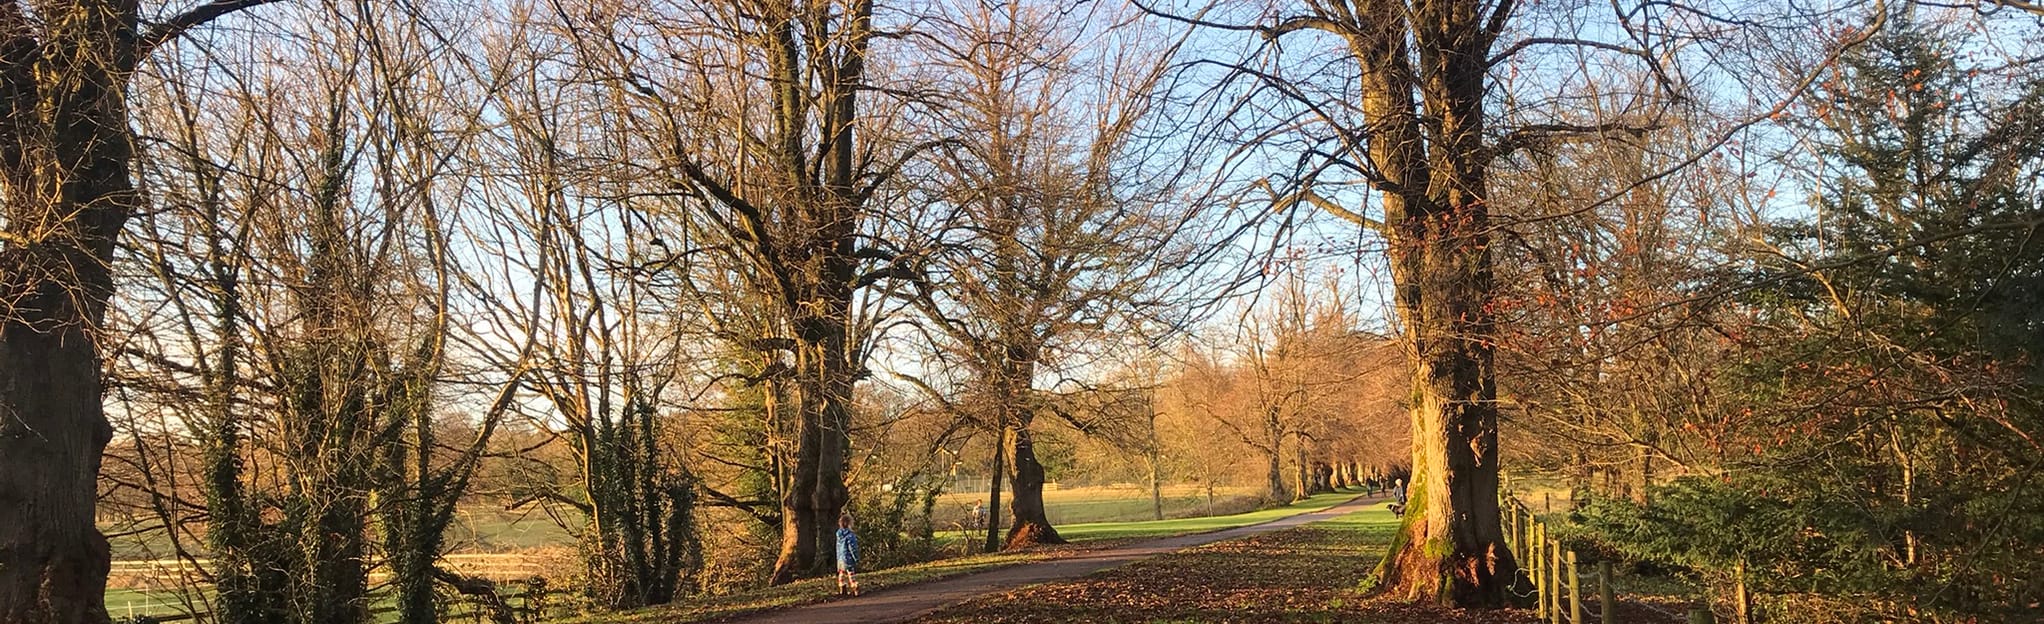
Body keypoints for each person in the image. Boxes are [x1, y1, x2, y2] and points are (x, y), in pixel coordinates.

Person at [835, 512, 861, 596]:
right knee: (851, 572)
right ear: (849, 523)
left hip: (840, 558)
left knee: (841, 573)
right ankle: (854, 586)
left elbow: (838, 547)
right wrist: (856, 558)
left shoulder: (838, 535)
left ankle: (842, 586)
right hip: (848, 558)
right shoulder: (850, 535)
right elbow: (852, 548)